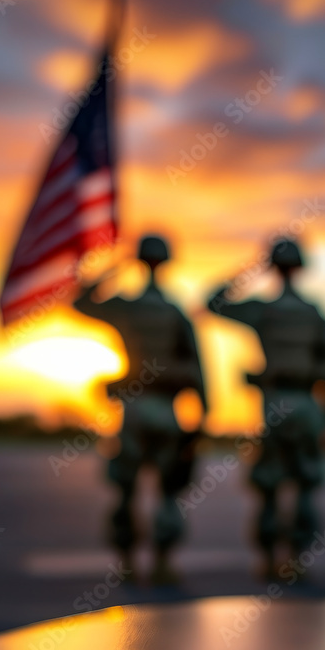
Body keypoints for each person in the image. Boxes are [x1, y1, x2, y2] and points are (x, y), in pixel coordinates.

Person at [74, 234, 206, 582]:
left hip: (132, 409)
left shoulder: (126, 306)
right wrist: (202, 416)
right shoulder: (175, 311)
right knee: (167, 490)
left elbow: (81, 303)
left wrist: (112, 270)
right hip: (166, 410)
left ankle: (128, 563)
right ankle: (162, 563)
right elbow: (197, 366)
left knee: (126, 489)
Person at [207, 237, 325, 577]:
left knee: (269, 485)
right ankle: (297, 560)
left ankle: (267, 559)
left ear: (275, 267)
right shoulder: (315, 313)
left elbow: (213, 303)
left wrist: (251, 272)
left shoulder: (262, 310)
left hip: (275, 406)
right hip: (309, 406)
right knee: (304, 485)